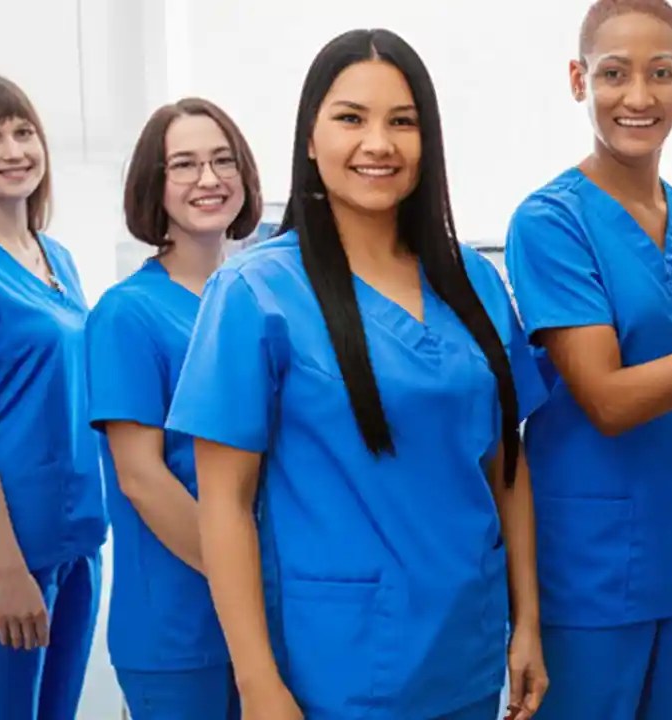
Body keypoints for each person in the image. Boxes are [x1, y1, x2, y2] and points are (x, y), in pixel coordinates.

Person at [163, 29, 549, 720]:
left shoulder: (475, 285)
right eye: (351, 118)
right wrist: (258, 686)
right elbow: (223, 503)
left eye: (402, 122)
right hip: (334, 665)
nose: (379, 143)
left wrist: (527, 623)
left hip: (466, 648)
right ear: (310, 139)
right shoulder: (256, 293)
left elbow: (507, 467)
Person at [503, 1, 672, 717]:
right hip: (588, 573)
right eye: (614, 74)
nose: (639, 97)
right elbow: (609, 399)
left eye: (660, 73)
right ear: (578, 79)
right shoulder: (551, 223)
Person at [0, 72, 107, 719]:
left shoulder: (56, 256)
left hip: (75, 541)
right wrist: (9, 569)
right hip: (0, 557)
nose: (13, 150)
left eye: (23, 131)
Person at [85, 98, 263, 719]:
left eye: (222, 160)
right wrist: (247, 585)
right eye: (184, 165)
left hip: (270, 618)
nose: (209, 179)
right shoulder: (126, 314)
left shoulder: (257, 298)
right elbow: (141, 478)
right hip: (179, 629)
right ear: (153, 186)